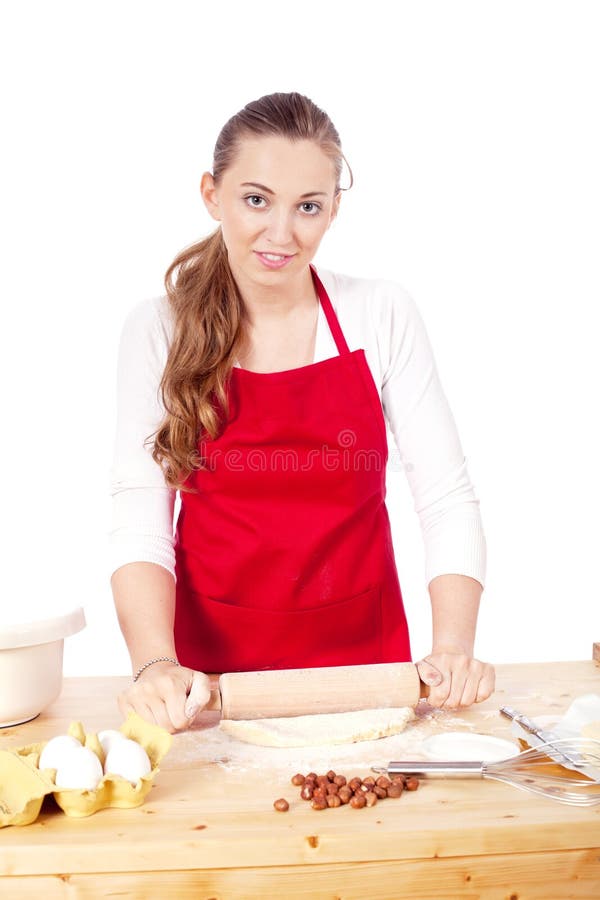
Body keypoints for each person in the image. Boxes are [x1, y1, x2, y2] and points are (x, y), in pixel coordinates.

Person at [109, 91, 494, 733]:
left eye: (308, 206)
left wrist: (453, 648)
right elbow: (139, 507)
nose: (281, 234)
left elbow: (445, 495)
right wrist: (154, 664)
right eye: (256, 200)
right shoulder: (158, 329)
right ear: (212, 195)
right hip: (208, 687)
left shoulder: (381, 312)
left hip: (365, 674)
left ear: (334, 209)